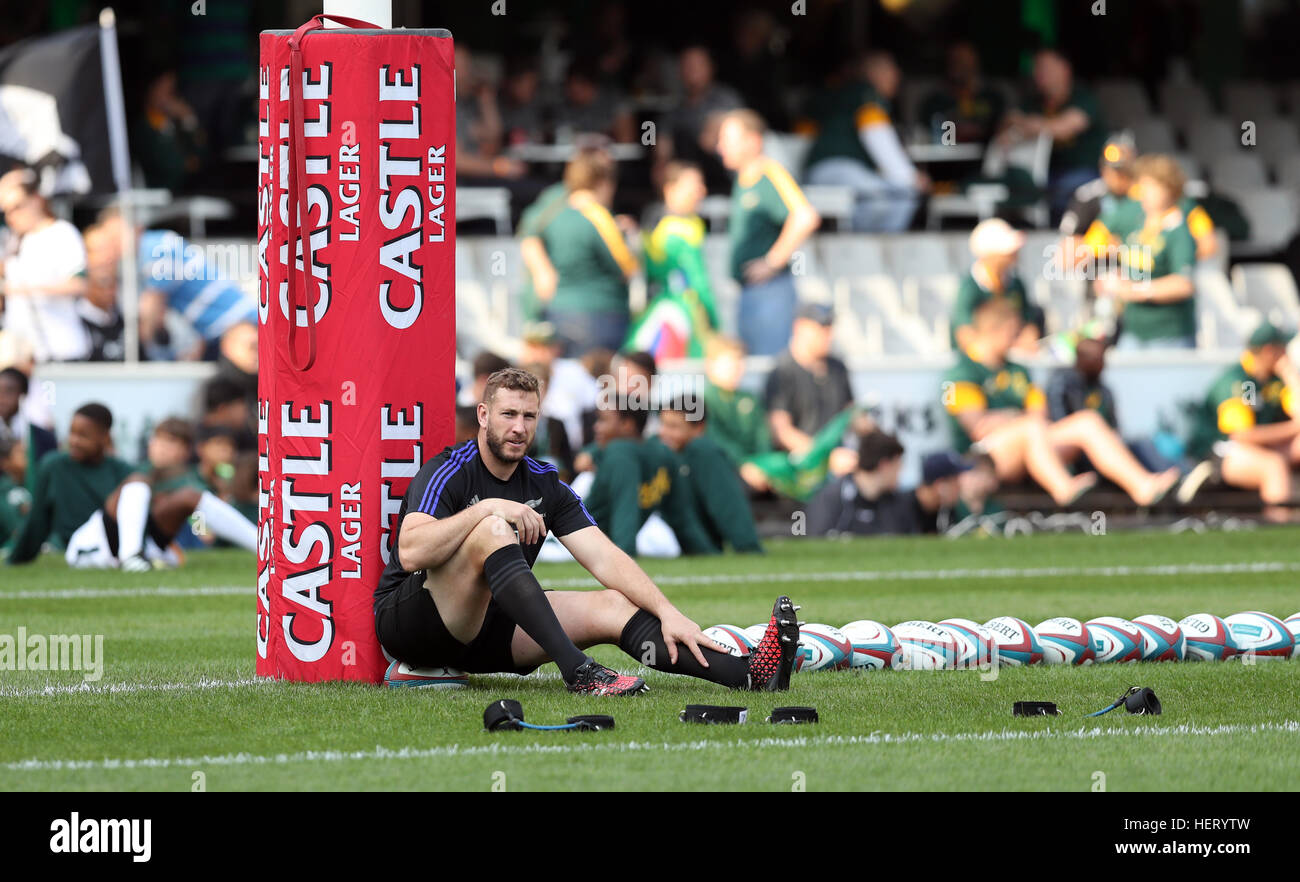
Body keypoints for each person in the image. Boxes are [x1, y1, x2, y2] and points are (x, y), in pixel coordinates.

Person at [372, 367, 799, 694]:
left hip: (482, 635)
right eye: (507, 414)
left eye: (529, 416)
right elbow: (409, 551)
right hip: (411, 627)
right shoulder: (448, 470)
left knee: (613, 604)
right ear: (483, 415)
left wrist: (669, 612)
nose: (519, 427)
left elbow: (605, 557)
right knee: (492, 528)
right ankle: (577, 670)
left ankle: (751, 676)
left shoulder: (544, 482)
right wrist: (488, 509)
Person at [941, 298, 1179, 507]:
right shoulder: (961, 373)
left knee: (1087, 422)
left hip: (1033, 442)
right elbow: (979, 427)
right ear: (995, 330)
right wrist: (1019, 418)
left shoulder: (1019, 369)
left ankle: (1143, 486)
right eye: (1012, 331)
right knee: (1030, 428)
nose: (1017, 338)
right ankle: (1063, 488)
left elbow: (1039, 413)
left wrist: (1011, 418)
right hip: (984, 458)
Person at [63, 418, 257, 570]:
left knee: (190, 496)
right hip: (96, 544)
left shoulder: (190, 480)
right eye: (158, 439)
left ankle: (264, 547)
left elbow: (202, 532)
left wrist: (201, 528)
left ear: (186, 450)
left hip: (154, 545)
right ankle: (131, 557)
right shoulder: (132, 469)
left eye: (171, 442)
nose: (162, 447)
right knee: (138, 483)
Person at [91, 206, 259, 361]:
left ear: (137, 228)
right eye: (111, 240)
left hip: (240, 325)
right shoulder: (151, 251)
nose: (115, 245)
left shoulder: (156, 248)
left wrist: (133, 353)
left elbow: (152, 307)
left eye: (117, 236)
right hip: (221, 331)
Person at [717, 109, 821, 356]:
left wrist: (772, 261)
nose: (720, 147)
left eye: (727, 140)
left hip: (770, 294)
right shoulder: (744, 179)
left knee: (769, 368)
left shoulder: (770, 172)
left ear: (754, 141)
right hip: (752, 294)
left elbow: (805, 216)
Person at [1181, 322, 1299, 519]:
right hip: (1220, 451)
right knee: (1273, 465)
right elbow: (1243, 435)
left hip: (1261, 445)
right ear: (1270, 350)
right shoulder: (1243, 381)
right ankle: (1279, 528)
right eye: (1283, 348)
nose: (1287, 354)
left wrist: (1291, 376)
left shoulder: (1274, 379)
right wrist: (1294, 428)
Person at [798, 52, 926, 233]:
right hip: (836, 170)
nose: (897, 75)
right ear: (874, 73)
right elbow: (879, 141)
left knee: (899, 195)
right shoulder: (867, 96)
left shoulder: (839, 93)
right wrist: (912, 178)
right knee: (891, 195)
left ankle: (880, 247)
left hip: (826, 171)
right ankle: (860, 247)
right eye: (891, 70)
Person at [1088, 154, 1198, 350]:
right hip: (1134, 332)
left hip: (1168, 336)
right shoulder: (1137, 222)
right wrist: (1112, 280)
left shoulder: (1178, 231)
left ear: (1169, 189)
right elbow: (1132, 263)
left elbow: (1183, 284)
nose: (1143, 193)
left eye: (1151, 187)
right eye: (1142, 186)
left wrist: (1135, 291)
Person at [581, 403, 718, 558]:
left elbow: (681, 518)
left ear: (627, 424)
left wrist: (709, 555)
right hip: (568, 538)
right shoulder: (622, 453)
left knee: (662, 546)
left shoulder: (647, 454)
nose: (596, 427)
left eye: (603, 420)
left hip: (594, 542)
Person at [6, 403, 134, 564]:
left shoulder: (121, 470)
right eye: (72, 433)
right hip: (66, 547)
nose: (74, 441)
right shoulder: (53, 465)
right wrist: (16, 558)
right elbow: (37, 518)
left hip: (108, 544)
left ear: (105, 437)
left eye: (83, 435)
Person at [539, 150, 639, 354]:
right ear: (603, 182)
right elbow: (627, 268)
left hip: (558, 314)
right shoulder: (599, 217)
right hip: (600, 317)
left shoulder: (555, 215)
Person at [1062, 138, 1217, 265]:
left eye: (1125, 172)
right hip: (1116, 277)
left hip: (1168, 282)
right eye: (1113, 171)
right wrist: (1121, 249)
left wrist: (1175, 255)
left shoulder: (1178, 204)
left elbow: (1208, 244)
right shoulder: (1115, 208)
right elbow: (1082, 247)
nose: (1118, 178)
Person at [999, 49, 1106, 219]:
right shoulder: (1033, 102)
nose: (1039, 73)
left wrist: (1030, 124)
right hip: (1046, 174)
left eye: (1045, 67)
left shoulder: (1082, 97)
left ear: (1065, 69)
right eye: (1037, 68)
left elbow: (1064, 128)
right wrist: (1027, 125)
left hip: (1084, 171)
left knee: (1067, 190)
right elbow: (1007, 123)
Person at [630, 161, 719, 361]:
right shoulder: (680, 230)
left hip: (662, 313)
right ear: (670, 189)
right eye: (693, 186)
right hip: (680, 316)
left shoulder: (676, 223)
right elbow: (699, 282)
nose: (701, 191)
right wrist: (714, 323)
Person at [0, 168, 91, 362]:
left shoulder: (62, 233)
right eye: (6, 211)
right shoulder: (16, 241)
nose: (11, 217)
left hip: (59, 349)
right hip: (22, 354)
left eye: (18, 207)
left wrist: (23, 290)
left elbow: (78, 284)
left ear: (36, 199)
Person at [657, 397, 763, 553]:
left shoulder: (702, 451)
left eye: (673, 426)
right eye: (663, 424)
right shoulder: (656, 449)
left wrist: (747, 546)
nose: (663, 432)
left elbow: (727, 505)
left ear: (699, 428)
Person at [657, 46, 742, 193]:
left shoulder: (726, 99)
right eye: (687, 65)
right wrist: (661, 161)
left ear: (711, 68)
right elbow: (657, 136)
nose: (692, 70)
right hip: (683, 181)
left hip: (722, 180)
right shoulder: (674, 107)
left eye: (698, 65)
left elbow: (710, 140)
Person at [952, 218, 1041, 354]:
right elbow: (964, 331)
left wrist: (1027, 338)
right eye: (1007, 251)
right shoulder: (970, 287)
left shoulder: (1016, 284)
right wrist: (985, 352)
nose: (1014, 254)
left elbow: (1028, 322)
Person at [806, 429, 917, 536]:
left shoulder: (897, 504)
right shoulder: (832, 499)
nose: (900, 473)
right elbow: (815, 539)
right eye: (898, 466)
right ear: (884, 465)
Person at [918, 42, 1006, 146]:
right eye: (954, 61)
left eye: (963, 62)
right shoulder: (935, 101)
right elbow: (926, 134)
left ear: (975, 63)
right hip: (947, 157)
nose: (958, 66)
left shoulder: (993, 98)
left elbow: (1002, 129)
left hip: (986, 156)